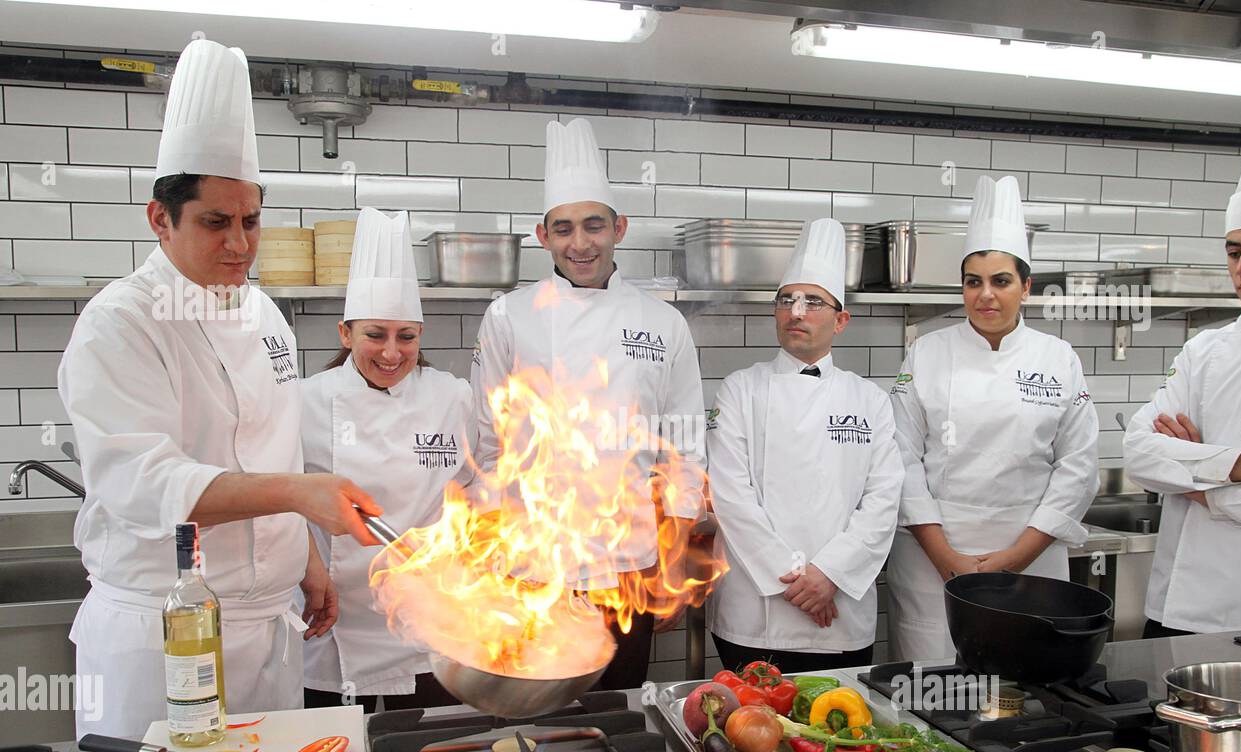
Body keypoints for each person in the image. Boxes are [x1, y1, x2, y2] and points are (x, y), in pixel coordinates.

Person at [57, 39, 380, 739]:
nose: (239, 244)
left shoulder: (263, 313)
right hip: (160, 637)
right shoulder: (121, 322)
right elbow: (146, 484)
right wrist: (299, 498)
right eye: (214, 222)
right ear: (159, 219)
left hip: (269, 632)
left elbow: (277, 446)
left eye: (251, 221)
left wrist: (307, 554)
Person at [470, 117, 705, 689]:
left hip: (627, 564)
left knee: (619, 715)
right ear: (542, 234)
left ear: (619, 227)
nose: (581, 243)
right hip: (531, 567)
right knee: (534, 712)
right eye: (564, 228)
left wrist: (671, 563)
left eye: (594, 225)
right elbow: (487, 446)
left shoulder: (662, 322)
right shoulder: (508, 316)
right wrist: (487, 557)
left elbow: (683, 453)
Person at [887, 175, 1099, 663]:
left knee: (1021, 695)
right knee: (934, 695)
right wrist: (947, 559)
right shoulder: (926, 354)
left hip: (1032, 559)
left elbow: (1078, 465)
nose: (985, 295)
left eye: (1000, 281)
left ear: (1025, 286)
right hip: (933, 560)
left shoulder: (1058, 357)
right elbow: (901, 459)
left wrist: (1014, 559)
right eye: (973, 282)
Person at [1124, 123, 1241, 637]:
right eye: (1233, 250)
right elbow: (1140, 452)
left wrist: (1200, 487)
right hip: (1172, 608)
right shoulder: (1205, 347)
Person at [706, 218, 904, 671]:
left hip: (839, 610)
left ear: (842, 320)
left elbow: (883, 500)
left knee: (839, 732)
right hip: (756, 613)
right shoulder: (740, 389)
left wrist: (828, 576)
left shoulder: (869, 400)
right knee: (749, 732)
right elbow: (731, 496)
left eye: (813, 301)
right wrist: (800, 583)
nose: (796, 311)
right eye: (786, 300)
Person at [300, 208, 476, 711]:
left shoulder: (453, 397)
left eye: (407, 336)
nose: (392, 353)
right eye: (375, 334)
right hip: (332, 617)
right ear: (345, 332)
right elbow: (285, 505)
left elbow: (480, 487)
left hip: (425, 618)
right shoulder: (304, 401)